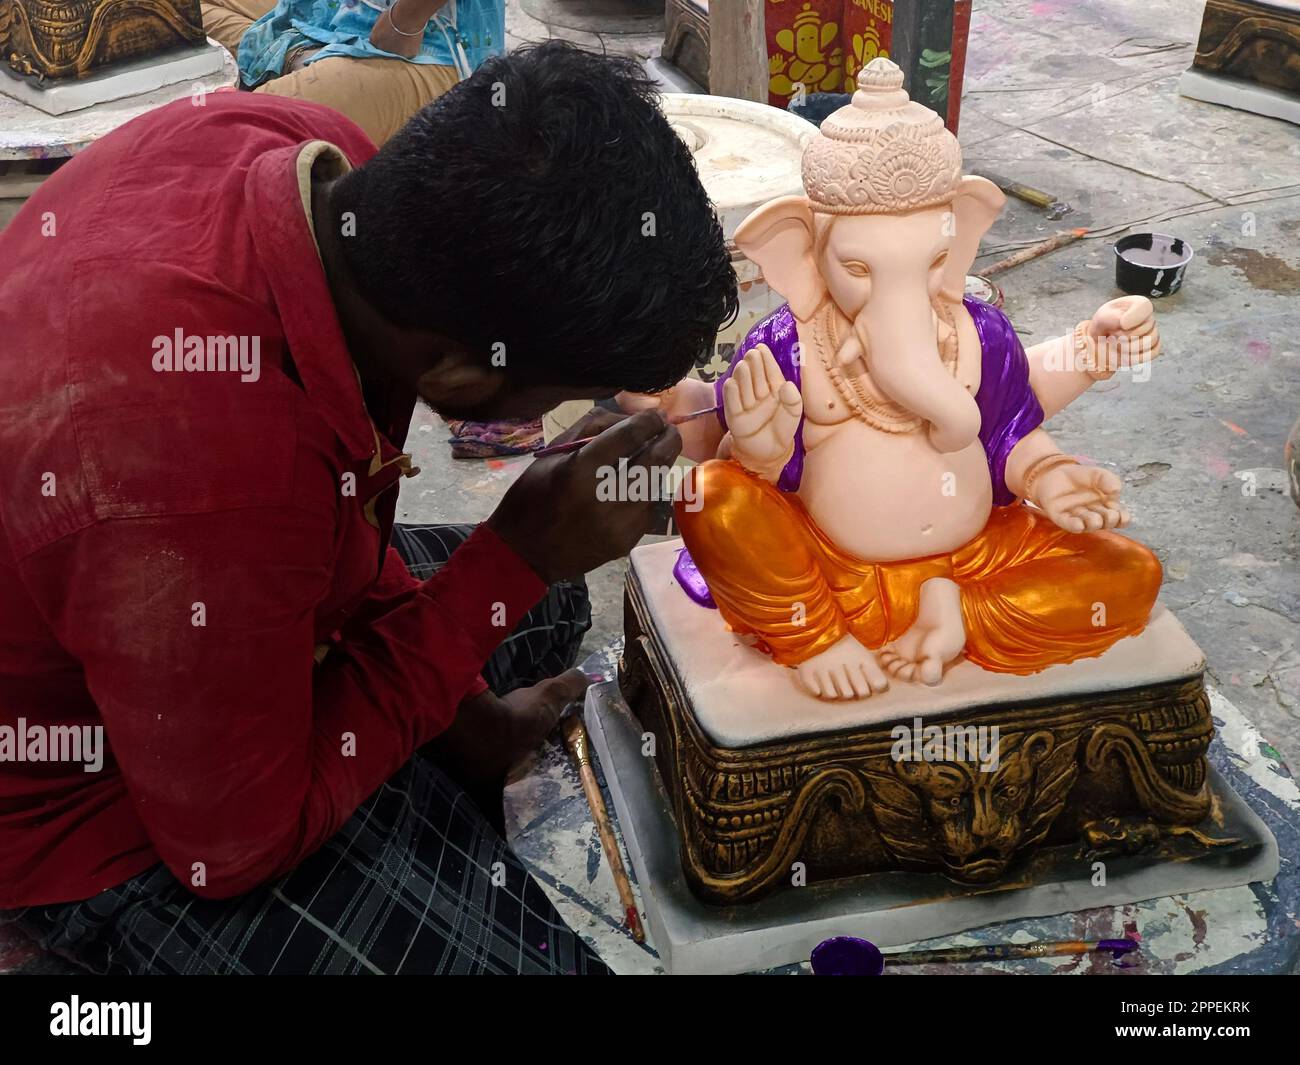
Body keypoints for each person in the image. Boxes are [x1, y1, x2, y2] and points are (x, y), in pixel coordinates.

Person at [0, 42, 737, 974]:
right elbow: (234, 849)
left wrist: (478, 726)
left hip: (214, 581)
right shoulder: (197, 464)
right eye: (560, 395)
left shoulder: (318, 156)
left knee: (548, 613)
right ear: (460, 373)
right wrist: (515, 553)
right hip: (106, 802)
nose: (558, 419)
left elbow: (346, 522)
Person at [202, 0, 501, 143]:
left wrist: (404, 20)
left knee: (224, 132)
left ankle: (301, 71)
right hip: (332, 13)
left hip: (423, 46)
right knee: (176, 13)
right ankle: (295, 58)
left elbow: (395, 40)